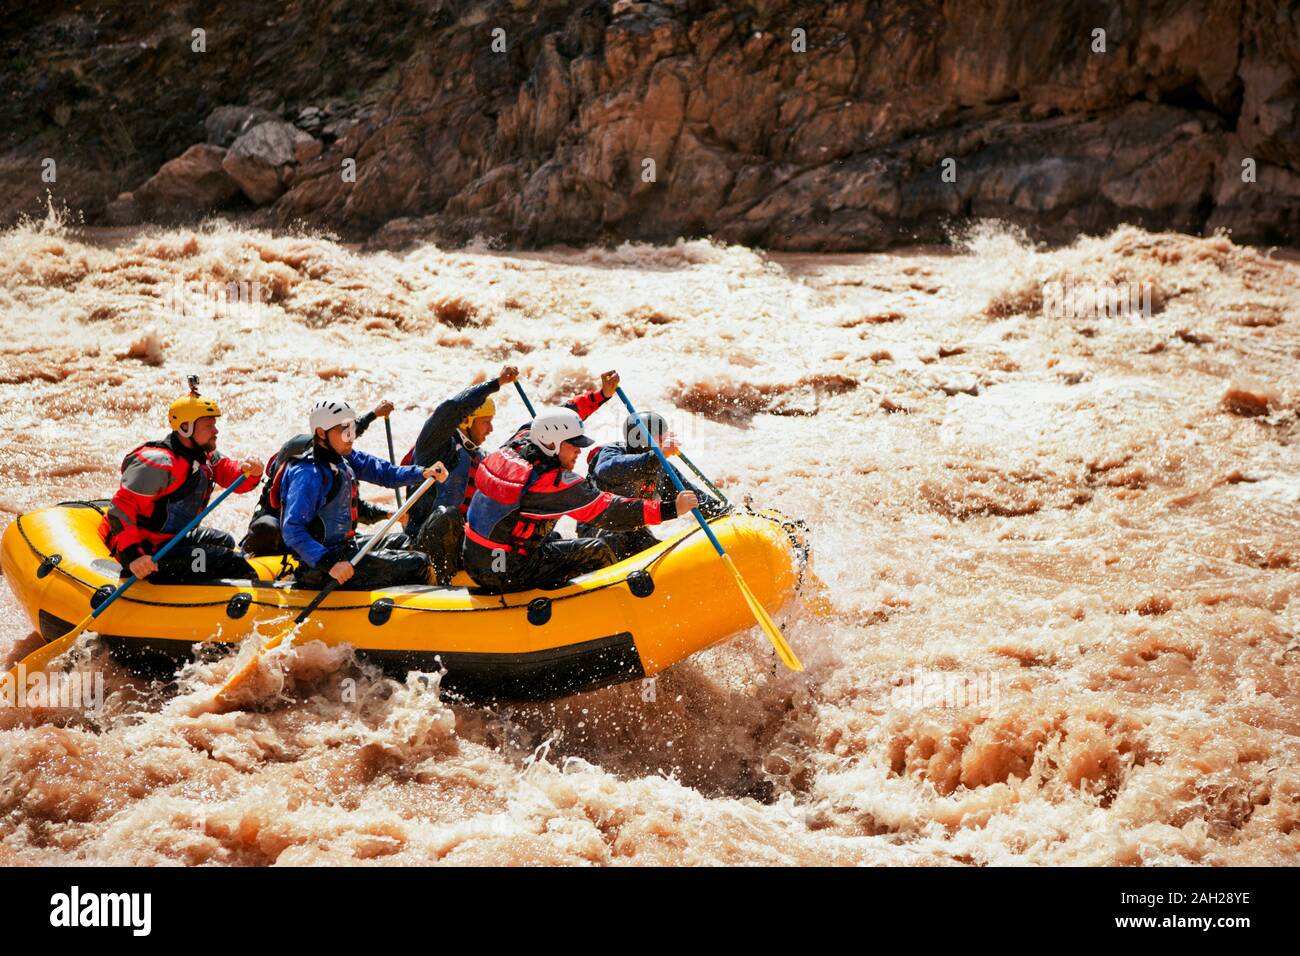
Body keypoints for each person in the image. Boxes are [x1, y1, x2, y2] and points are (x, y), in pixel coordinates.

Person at [462, 371, 699, 593]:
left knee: (552, 540)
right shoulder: (550, 484)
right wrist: (670, 509)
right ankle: (608, 609)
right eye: (573, 445)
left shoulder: (523, 438)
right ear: (553, 443)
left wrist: (602, 394)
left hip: (474, 557)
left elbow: (566, 411)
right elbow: (610, 511)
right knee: (595, 551)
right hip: (504, 572)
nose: (578, 451)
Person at [100, 383, 263, 584]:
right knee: (228, 562)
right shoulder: (158, 464)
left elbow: (233, 477)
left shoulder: (204, 455)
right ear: (186, 428)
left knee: (225, 542)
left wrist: (249, 471)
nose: (216, 430)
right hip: (146, 549)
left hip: (169, 541)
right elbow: (119, 509)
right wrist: (133, 556)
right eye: (209, 426)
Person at [280, 399, 447, 590]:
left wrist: (423, 472)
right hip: (321, 567)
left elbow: (387, 473)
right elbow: (292, 530)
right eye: (344, 430)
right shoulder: (308, 474)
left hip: (345, 548)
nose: (351, 436)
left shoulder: (345, 458)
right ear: (320, 433)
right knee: (417, 564)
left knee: (406, 542)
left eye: (351, 429)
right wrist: (329, 564)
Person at [402, 366, 519, 584]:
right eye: (486, 421)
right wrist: (496, 383)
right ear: (467, 421)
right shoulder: (435, 446)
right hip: (425, 542)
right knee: (447, 516)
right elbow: (450, 409)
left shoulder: (480, 456)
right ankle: (441, 583)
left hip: (462, 544)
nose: (491, 429)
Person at [242, 400, 398, 557]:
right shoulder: (307, 466)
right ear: (322, 435)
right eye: (345, 433)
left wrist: (374, 414)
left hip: (315, 531)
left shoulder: (337, 455)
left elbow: (350, 508)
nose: (349, 439)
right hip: (279, 519)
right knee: (267, 528)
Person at [577, 411, 725, 561]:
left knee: (660, 553)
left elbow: (695, 498)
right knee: (617, 539)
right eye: (660, 436)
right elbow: (607, 470)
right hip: (598, 528)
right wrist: (655, 457)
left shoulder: (663, 469)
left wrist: (727, 513)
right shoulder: (611, 453)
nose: (665, 440)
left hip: (633, 529)